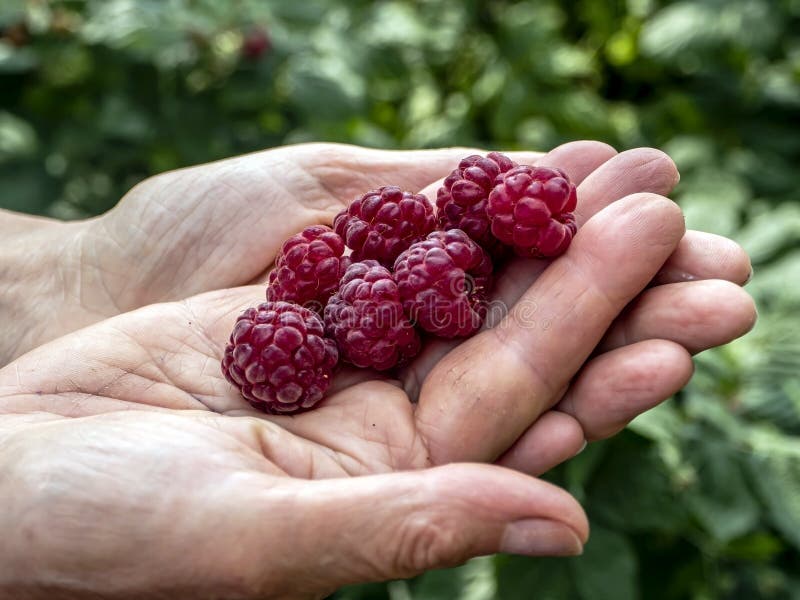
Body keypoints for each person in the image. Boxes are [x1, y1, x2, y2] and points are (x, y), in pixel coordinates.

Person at [0, 141, 755, 598]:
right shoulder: (350, 297)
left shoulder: (415, 267)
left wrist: (71, 273)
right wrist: (81, 275)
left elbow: (422, 277)